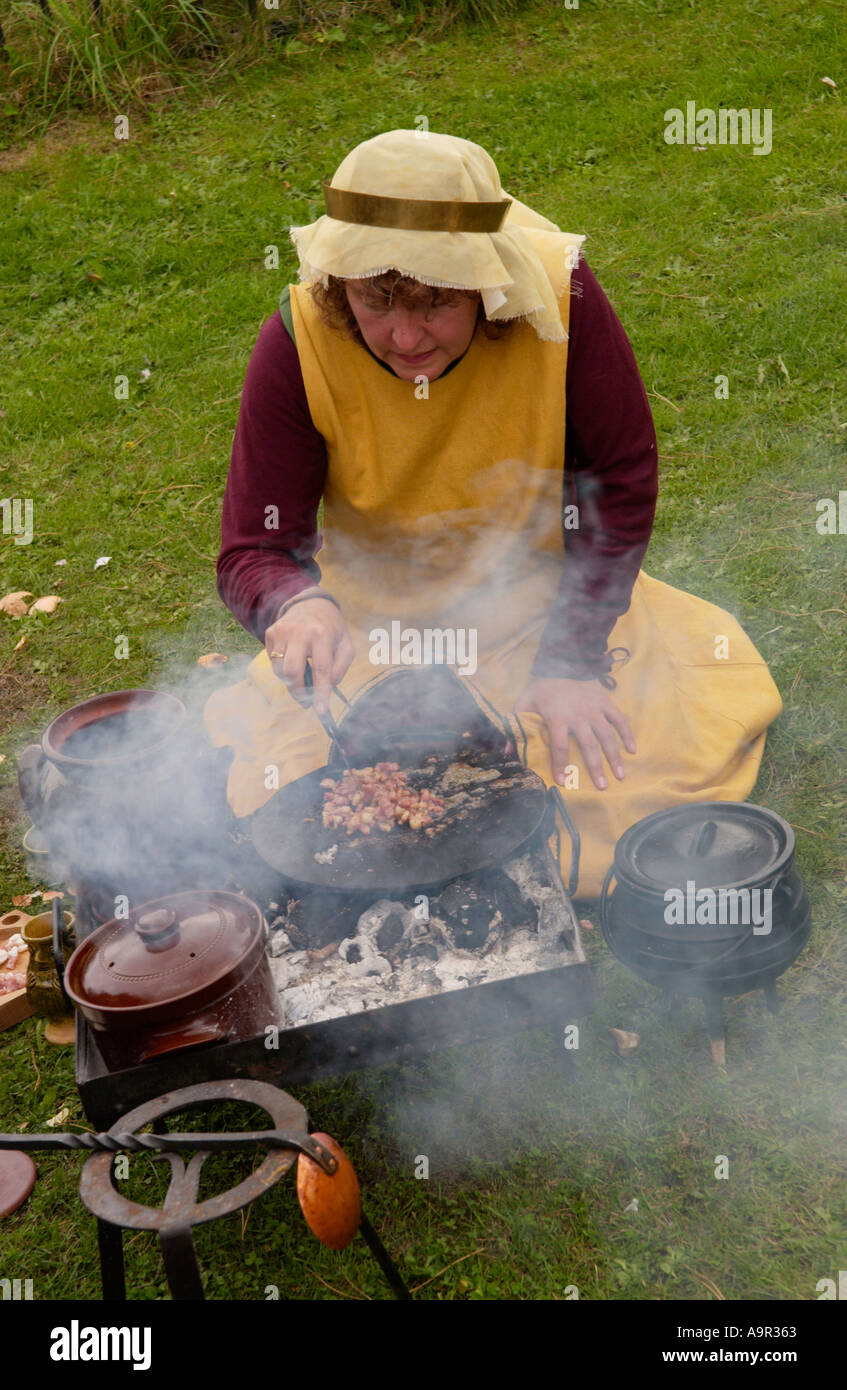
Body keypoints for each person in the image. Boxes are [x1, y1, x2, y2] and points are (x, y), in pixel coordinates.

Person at [205, 129, 782, 896]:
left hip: (541, 605)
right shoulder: (297, 337)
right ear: (340, 283)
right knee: (305, 792)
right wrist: (297, 605)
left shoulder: (558, 296)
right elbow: (254, 543)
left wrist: (573, 659)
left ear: (486, 285)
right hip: (374, 629)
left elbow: (618, 478)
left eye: (436, 304)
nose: (405, 336)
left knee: (619, 789)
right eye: (376, 302)